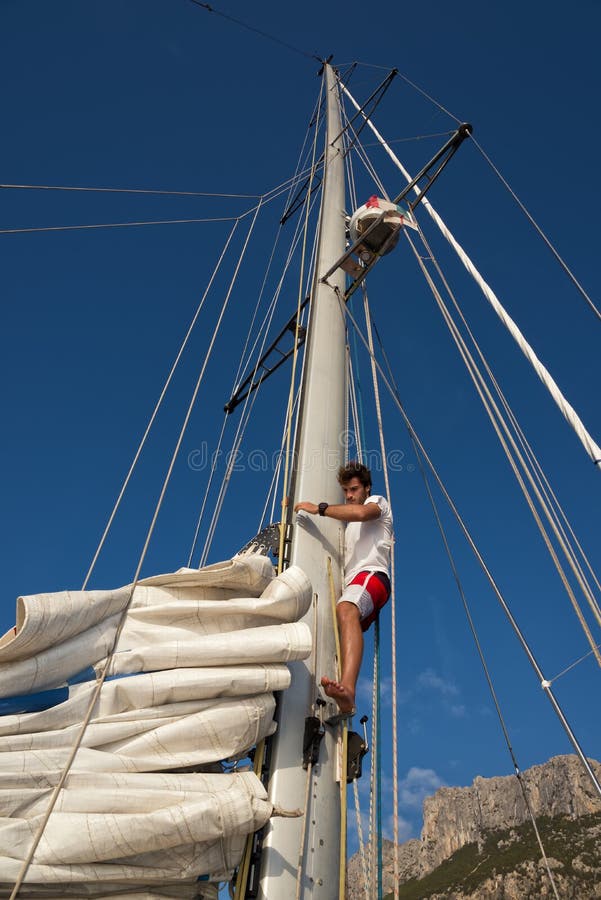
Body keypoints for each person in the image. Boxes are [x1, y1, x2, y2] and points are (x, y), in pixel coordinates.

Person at [294, 461, 393, 717]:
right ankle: (341, 695)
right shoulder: (347, 528)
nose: (350, 496)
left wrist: (320, 509)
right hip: (356, 584)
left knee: (346, 608)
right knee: (342, 626)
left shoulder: (378, 503)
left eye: (355, 489)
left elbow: (362, 513)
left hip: (372, 576)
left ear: (367, 489)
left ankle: (348, 689)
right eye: (346, 491)